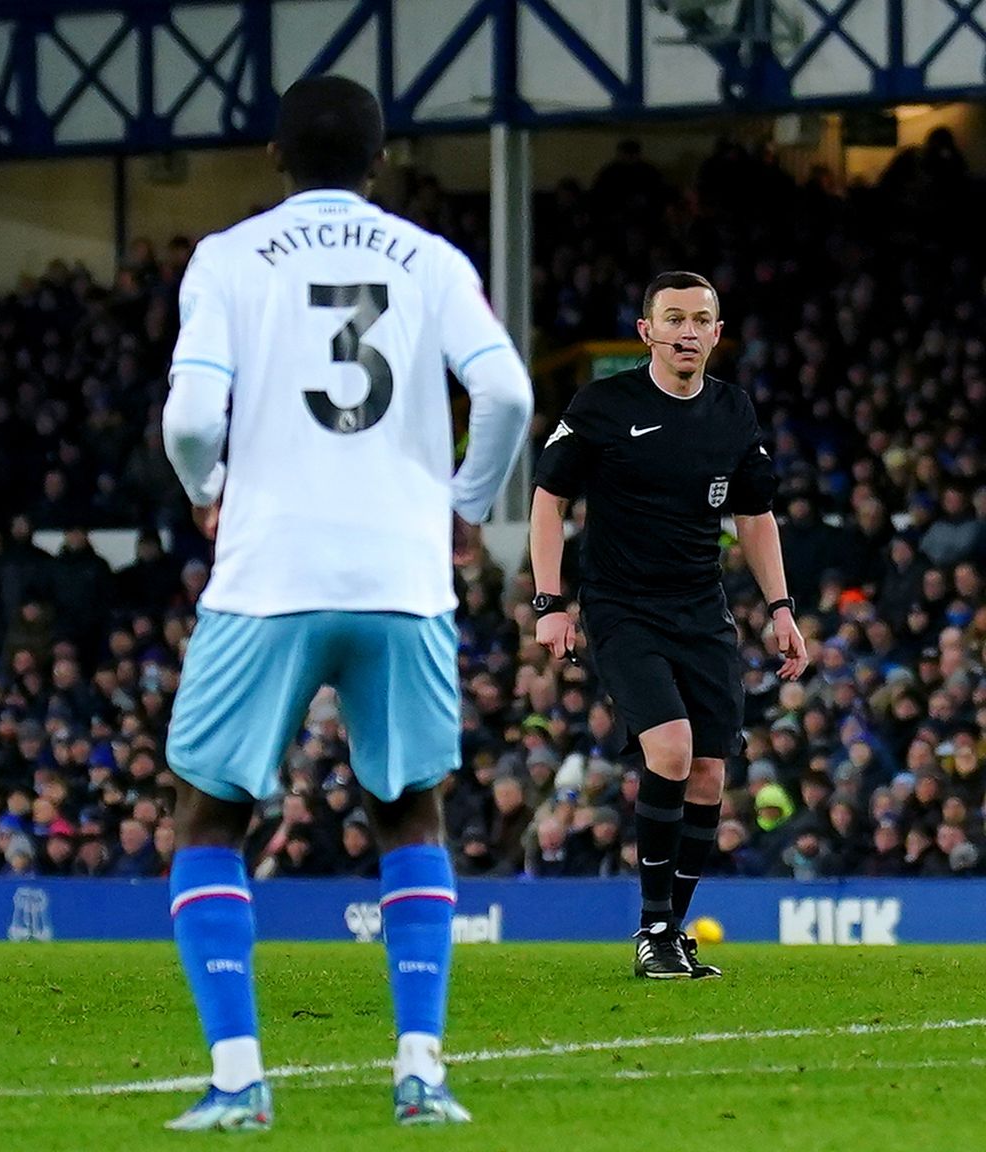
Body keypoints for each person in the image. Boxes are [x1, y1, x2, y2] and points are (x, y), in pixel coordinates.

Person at [158, 75, 532, 1130]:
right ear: (380, 160)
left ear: (274, 156)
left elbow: (190, 420)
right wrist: (461, 503)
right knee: (408, 809)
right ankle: (420, 1073)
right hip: (400, 576)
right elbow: (507, 393)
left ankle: (239, 1079)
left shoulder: (228, 257)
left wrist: (207, 488)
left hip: (268, 574)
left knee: (209, 815)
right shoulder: (432, 260)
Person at [528, 271, 807, 979]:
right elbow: (549, 499)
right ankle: (653, 928)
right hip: (621, 606)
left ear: (717, 333)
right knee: (674, 750)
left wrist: (781, 609)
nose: (687, 332)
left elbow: (754, 516)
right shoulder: (603, 406)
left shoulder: (732, 411)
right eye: (673, 318)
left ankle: (671, 930)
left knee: (710, 774)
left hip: (701, 609)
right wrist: (550, 603)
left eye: (700, 320)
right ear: (646, 331)